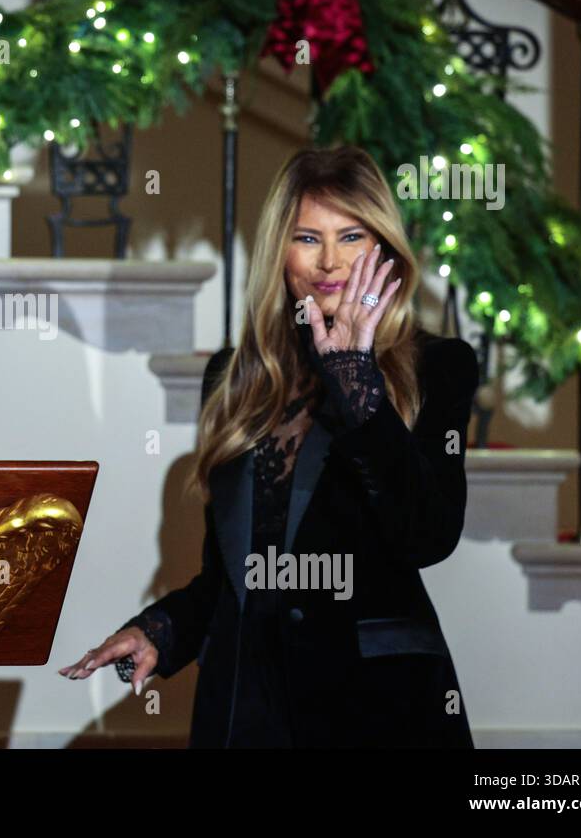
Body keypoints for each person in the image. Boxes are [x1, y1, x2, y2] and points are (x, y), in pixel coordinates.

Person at [61, 146, 478, 748]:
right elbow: (234, 576)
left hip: (379, 713)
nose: (329, 261)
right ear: (279, 252)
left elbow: (429, 536)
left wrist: (357, 381)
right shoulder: (234, 378)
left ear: (383, 248)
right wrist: (161, 631)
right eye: (307, 237)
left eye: (351, 235)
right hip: (247, 711)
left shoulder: (436, 366)